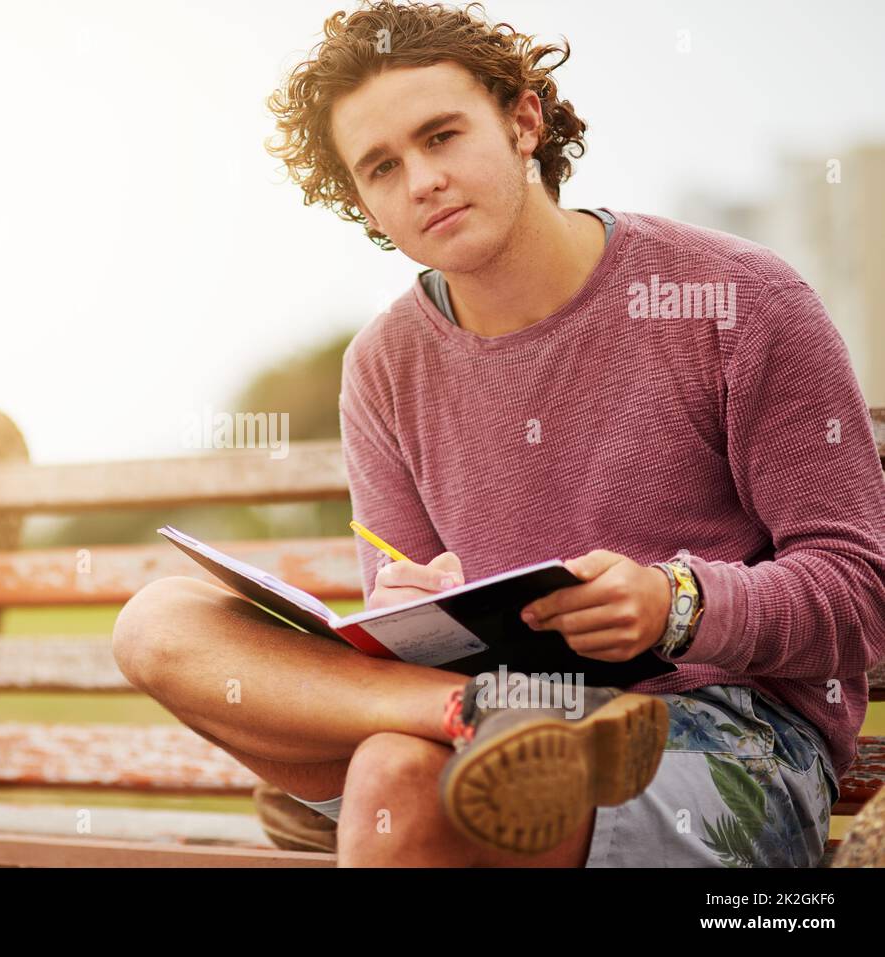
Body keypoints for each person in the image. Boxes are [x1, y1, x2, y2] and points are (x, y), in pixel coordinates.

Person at [111, 1, 885, 866]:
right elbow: (400, 626)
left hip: (731, 736)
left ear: (523, 119)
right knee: (158, 621)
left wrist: (675, 606)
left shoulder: (738, 298)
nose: (422, 181)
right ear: (362, 199)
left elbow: (863, 593)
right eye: (381, 167)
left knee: (397, 784)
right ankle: (470, 721)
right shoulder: (384, 363)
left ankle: (469, 740)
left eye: (441, 136)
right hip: (474, 711)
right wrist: (404, 613)